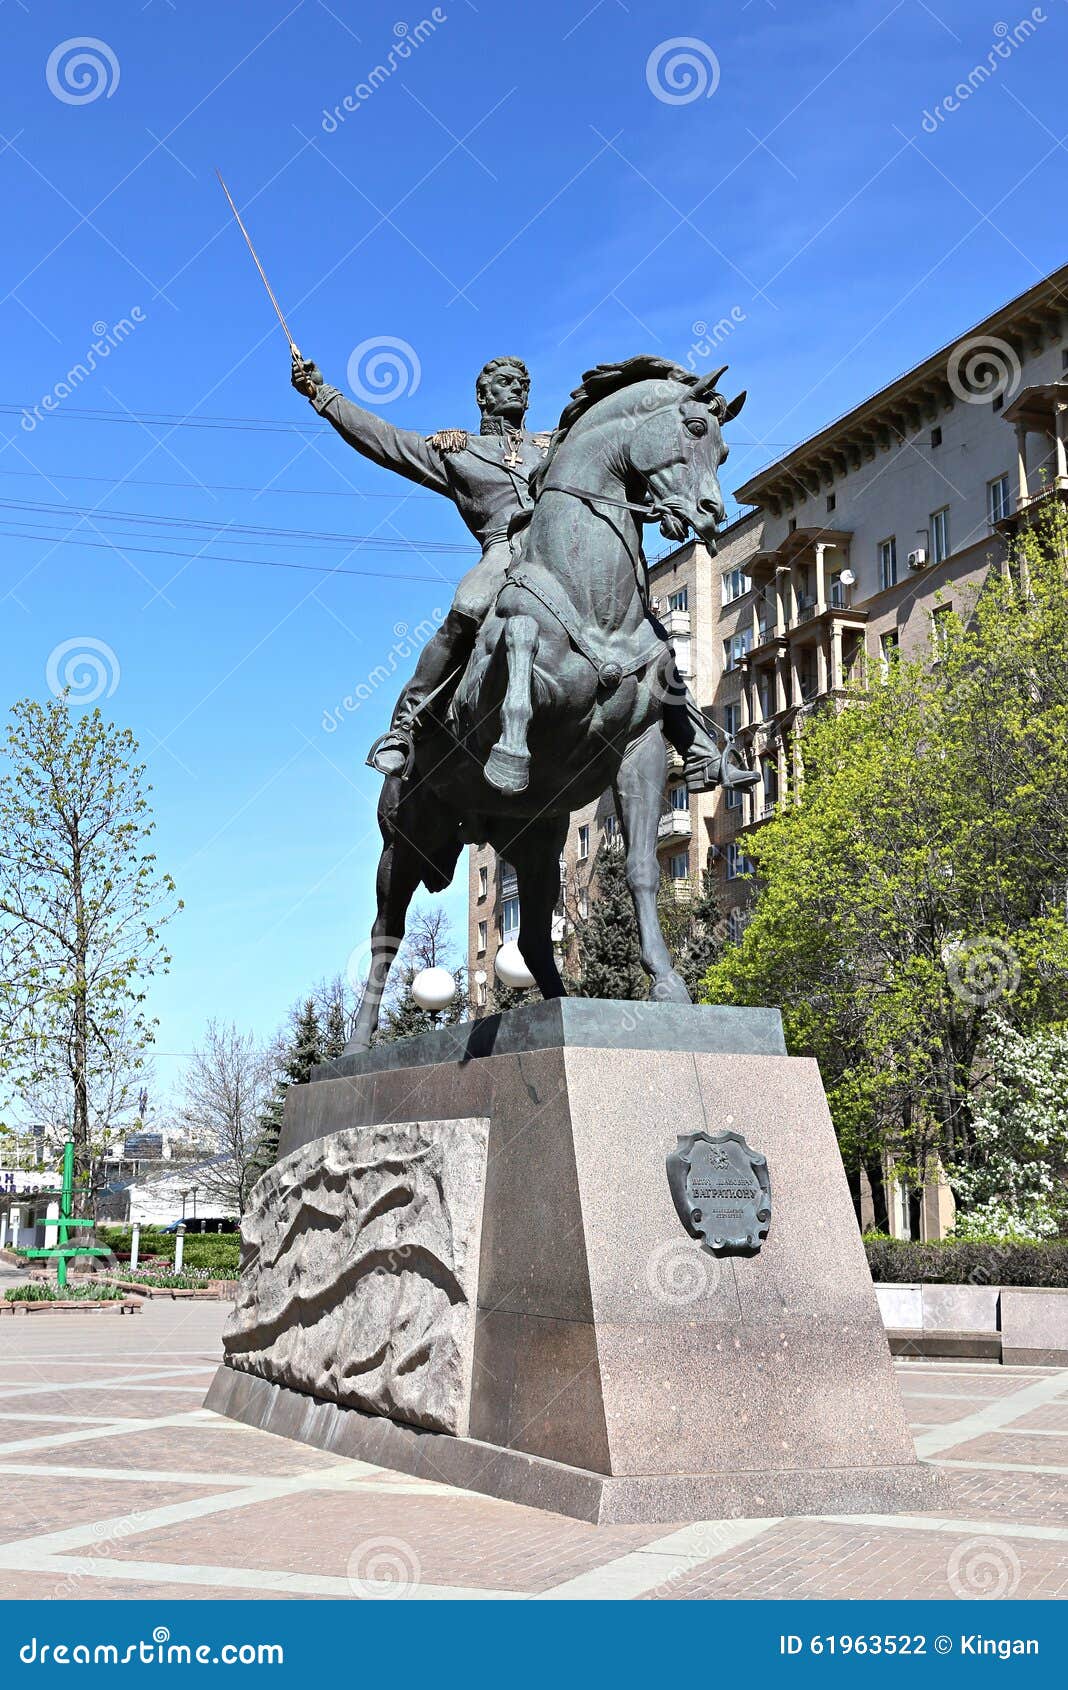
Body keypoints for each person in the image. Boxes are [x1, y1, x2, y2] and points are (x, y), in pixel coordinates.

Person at [293, 351, 725, 786]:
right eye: (504, 382)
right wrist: (323, 395)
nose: (517, 387)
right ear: (483, 395)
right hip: (505, 550)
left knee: (645, 627)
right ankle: (408, 724)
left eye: (522, 382)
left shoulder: (554, 445)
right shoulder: (459, 452)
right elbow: (385, 442)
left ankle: (694, 742)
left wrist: (664, 502)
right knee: (469, 605)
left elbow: (620, 467)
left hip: (567, 551)